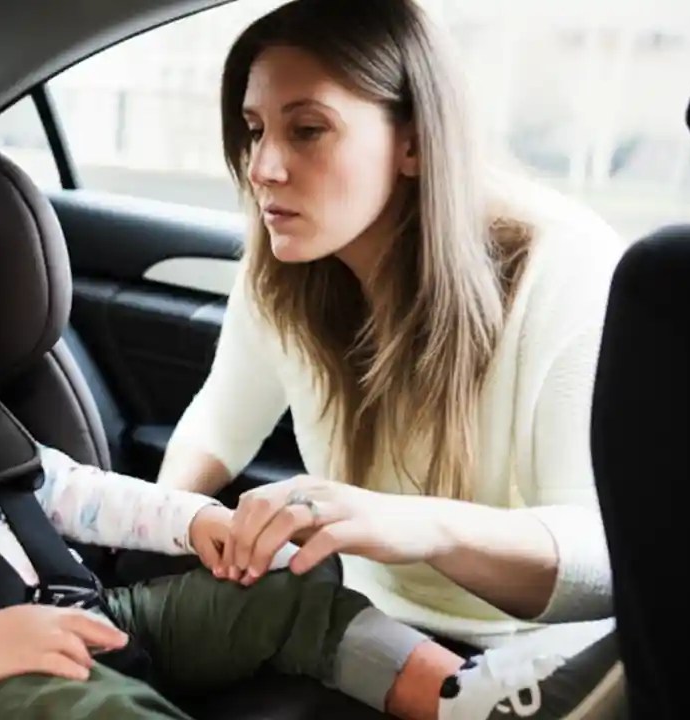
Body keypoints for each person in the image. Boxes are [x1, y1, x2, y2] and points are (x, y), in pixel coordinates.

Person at [0, 184, 595, 720]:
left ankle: (458, 698)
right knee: (86, 709)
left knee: (287, 592)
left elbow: (77, 496)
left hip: (85, 617)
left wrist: (197, 525)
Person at [157, 0, 627, 717]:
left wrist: (420, 524)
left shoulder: (564, 266)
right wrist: (162, 528)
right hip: (361, 618)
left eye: (307, 130)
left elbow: (604, 562)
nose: (263, 168)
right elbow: (217, 427)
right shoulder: (283, 267)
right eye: (254, 132)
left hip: (540, 653)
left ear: (413, 141)